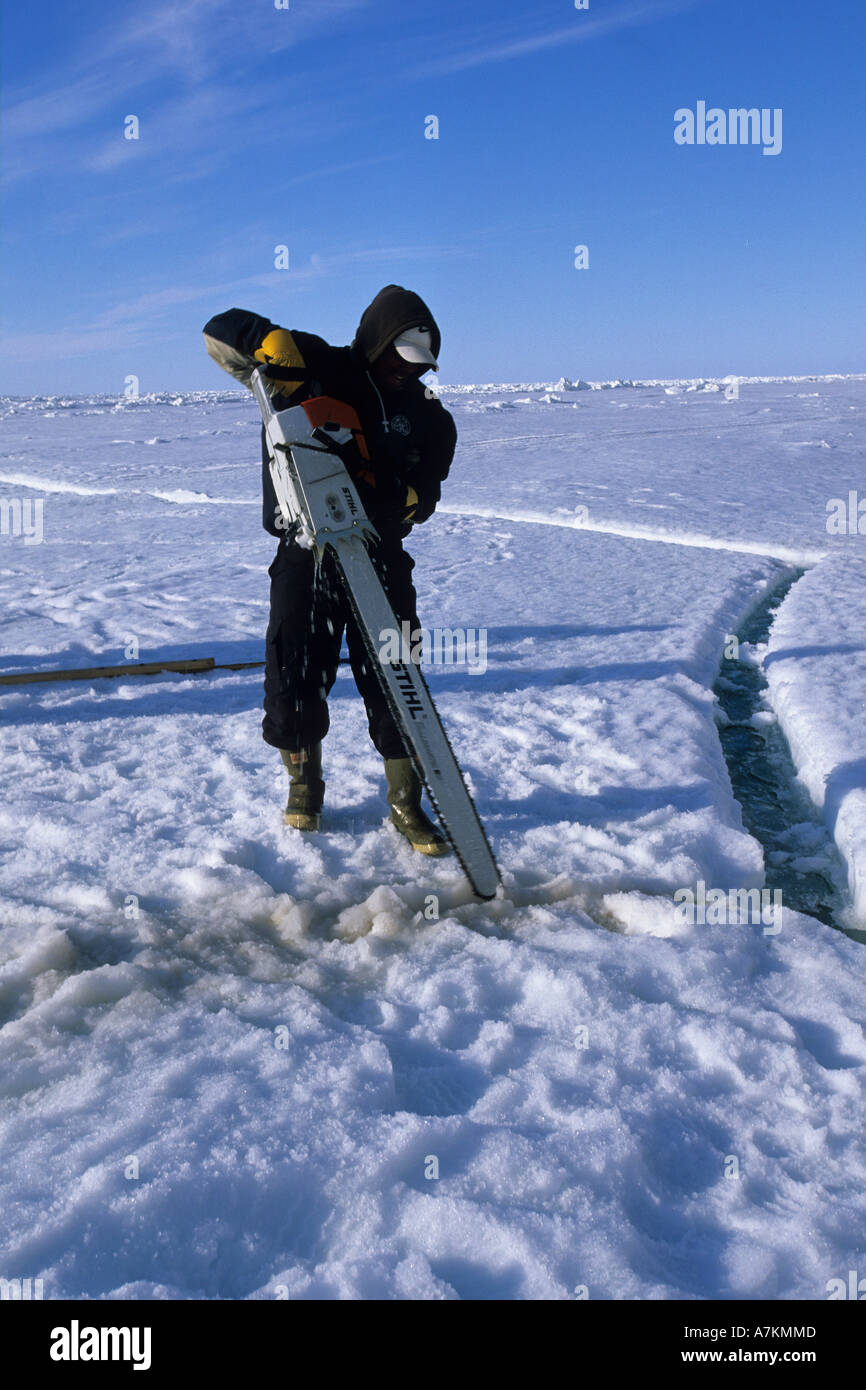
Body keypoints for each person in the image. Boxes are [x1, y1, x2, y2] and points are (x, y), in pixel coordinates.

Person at [202, 284, 457, 854]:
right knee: (294, 666)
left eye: (417, 365)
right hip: (305, 549)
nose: (404, 372)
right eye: (397, 358)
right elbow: (219, 332)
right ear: (378, 341)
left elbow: (431, 484)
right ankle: (304, 783)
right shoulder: (316, 366)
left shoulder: (428, 416)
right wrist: (265, 340)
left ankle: (405, 801)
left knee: (396, 675)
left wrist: (412, 500)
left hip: (380, 555)